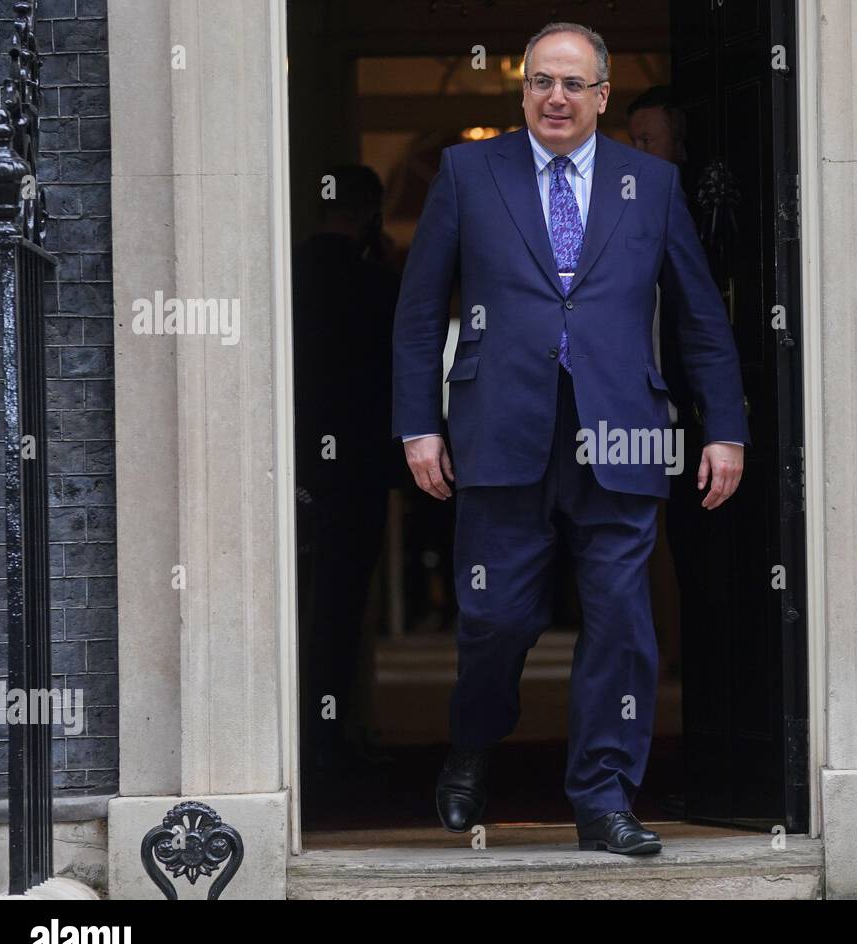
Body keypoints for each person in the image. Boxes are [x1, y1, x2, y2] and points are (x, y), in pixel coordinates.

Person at [391, 22, 749, 855]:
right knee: (494, 618)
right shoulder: (466, 171)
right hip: (497, 430)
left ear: (601, 96)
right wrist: (419, 424)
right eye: (541, 82)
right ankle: (475, 742)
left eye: (572, 84)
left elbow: (700, 318)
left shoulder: (650, 183)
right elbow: (416, 315)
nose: (556, 97)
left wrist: (723, 429)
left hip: (622, 432)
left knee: (622, 621)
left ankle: (604, 796)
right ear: (522, 92)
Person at [294, 164, 402, 773]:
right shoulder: (377, 286)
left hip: (294, 458)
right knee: (341, 604)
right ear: (369, 214)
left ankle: (305, 739)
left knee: (298, 600)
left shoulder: (287, 276)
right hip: (356, 466)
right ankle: (329, 737)